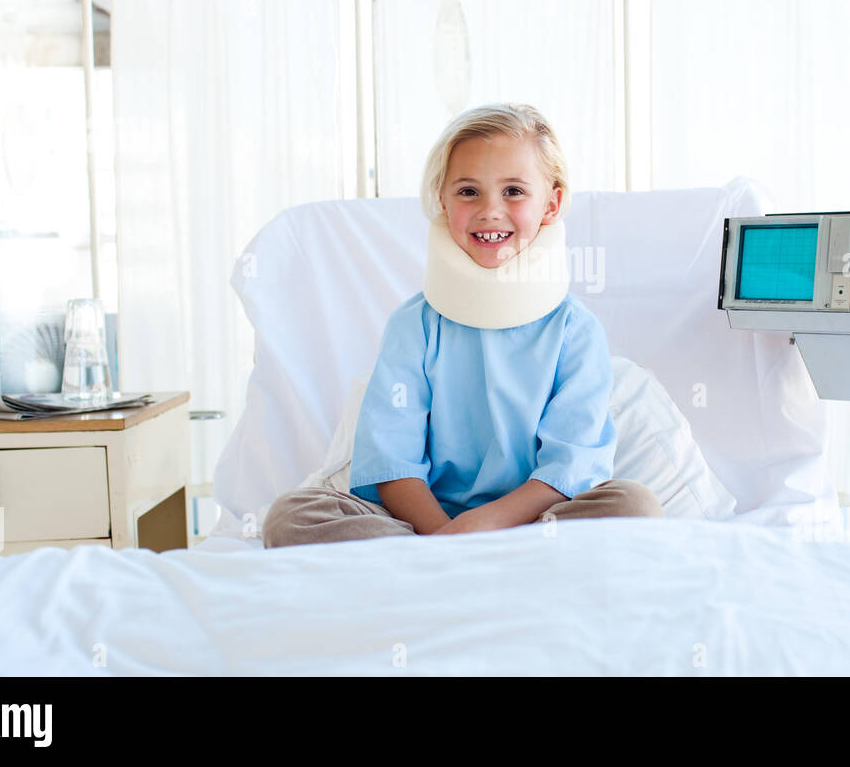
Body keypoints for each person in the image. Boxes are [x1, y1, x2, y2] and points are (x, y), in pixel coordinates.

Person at [263, 103, 662, 547]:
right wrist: (447, 540)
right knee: (292, 516)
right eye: (468, 191)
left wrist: (483, 529)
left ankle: (436, 573)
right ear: (441, 200)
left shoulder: (575, 331)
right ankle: (477, 571)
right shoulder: (413, 326)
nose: (490, 211)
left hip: (537, 523)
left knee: (635, 506)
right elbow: (393, 460)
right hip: (423, 527)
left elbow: (568, 467)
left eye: (513, 191)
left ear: (553, 203)